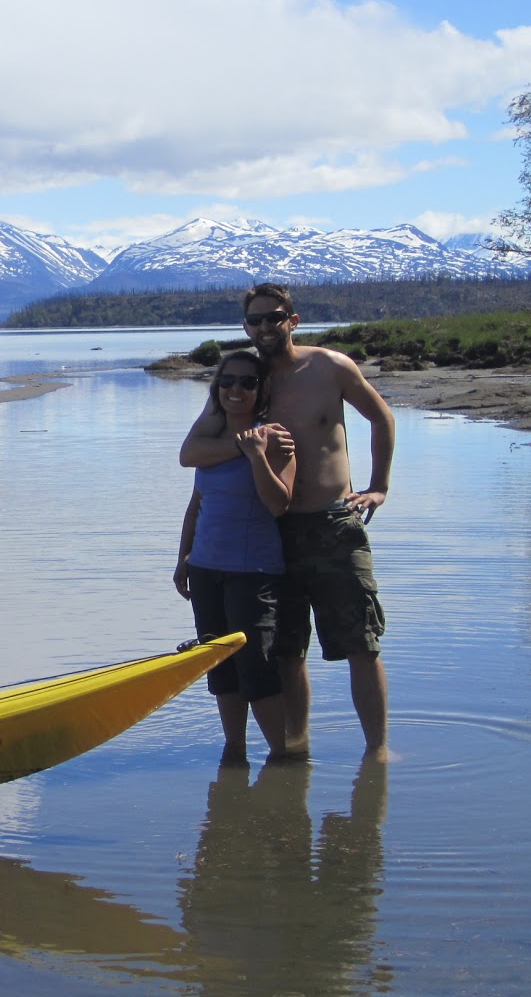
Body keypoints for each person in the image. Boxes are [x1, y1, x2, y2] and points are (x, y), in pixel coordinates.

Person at [180, 282, 396, 762]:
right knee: (286, 652)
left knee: (361, 643)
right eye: (254, 320)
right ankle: (295, 752)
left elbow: (382, 418)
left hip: (332, 524)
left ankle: (378, 753)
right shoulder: (244, 382)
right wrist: (246, 447)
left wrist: (379, 486)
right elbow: (192, 453)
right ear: (245, 327)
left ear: (292, 320)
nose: (264, 327)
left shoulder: (329, 367)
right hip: (271, 537)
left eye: (273, 317)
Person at [174, 349, 295, 764]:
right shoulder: (207, 443)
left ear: (261, 390)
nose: (235, 390)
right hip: (205, 568)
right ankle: (235, 752)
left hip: (253, 571)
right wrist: (183, 558)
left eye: (247, 382)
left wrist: (257, 455)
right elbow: (196, 504)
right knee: (220, 666)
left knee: (256, 667)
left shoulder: (276, 440)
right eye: (226, 382)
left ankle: (283, 760)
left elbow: (278, 504)